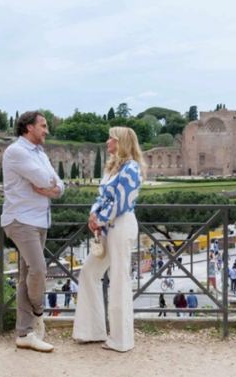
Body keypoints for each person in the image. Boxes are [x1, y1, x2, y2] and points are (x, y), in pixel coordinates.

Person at [72, 127, 144, 352]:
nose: (107, 141)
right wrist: (93, 215)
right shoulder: (113, 168)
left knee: (119, 280)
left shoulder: (131, 168)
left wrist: (99, 218)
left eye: (111, 138)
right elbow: (102, 197)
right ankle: (92, 330)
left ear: (120, 141)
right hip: (107, 227)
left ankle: (122, 340)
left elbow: (120, 202)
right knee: (89, 273)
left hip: (121, 226)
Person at [2, 111, 65, 353]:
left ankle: (24, 333)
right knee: (38, 270)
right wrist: (50, 185)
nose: (46, 130)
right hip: (21, 219)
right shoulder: (17, 151)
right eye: (43, 126)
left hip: (40, 219)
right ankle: (38, 311)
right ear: (29, 127)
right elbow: (44, 178)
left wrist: (53, 188)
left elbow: (58, 185)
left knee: (26, 277)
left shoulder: (39, 153)